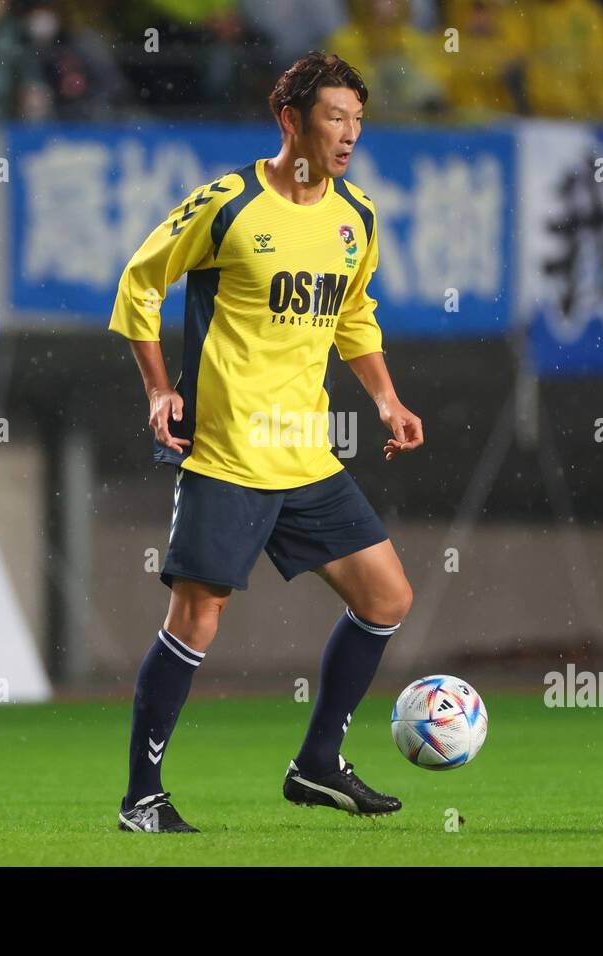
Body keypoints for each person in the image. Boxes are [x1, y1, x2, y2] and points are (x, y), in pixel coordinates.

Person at [108, 51, 423, 833]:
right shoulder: (228, 203)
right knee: (196, 620)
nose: (348, 135)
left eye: (357, 120)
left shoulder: (358, 218)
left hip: (306, 454)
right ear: (291, 120)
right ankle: (142, 798)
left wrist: (385, 399)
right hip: (227, 451)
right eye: (334, 118)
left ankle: (317, 764)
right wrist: (158, 389)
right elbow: (139, 283)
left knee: (388, 597)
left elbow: (353, 318)